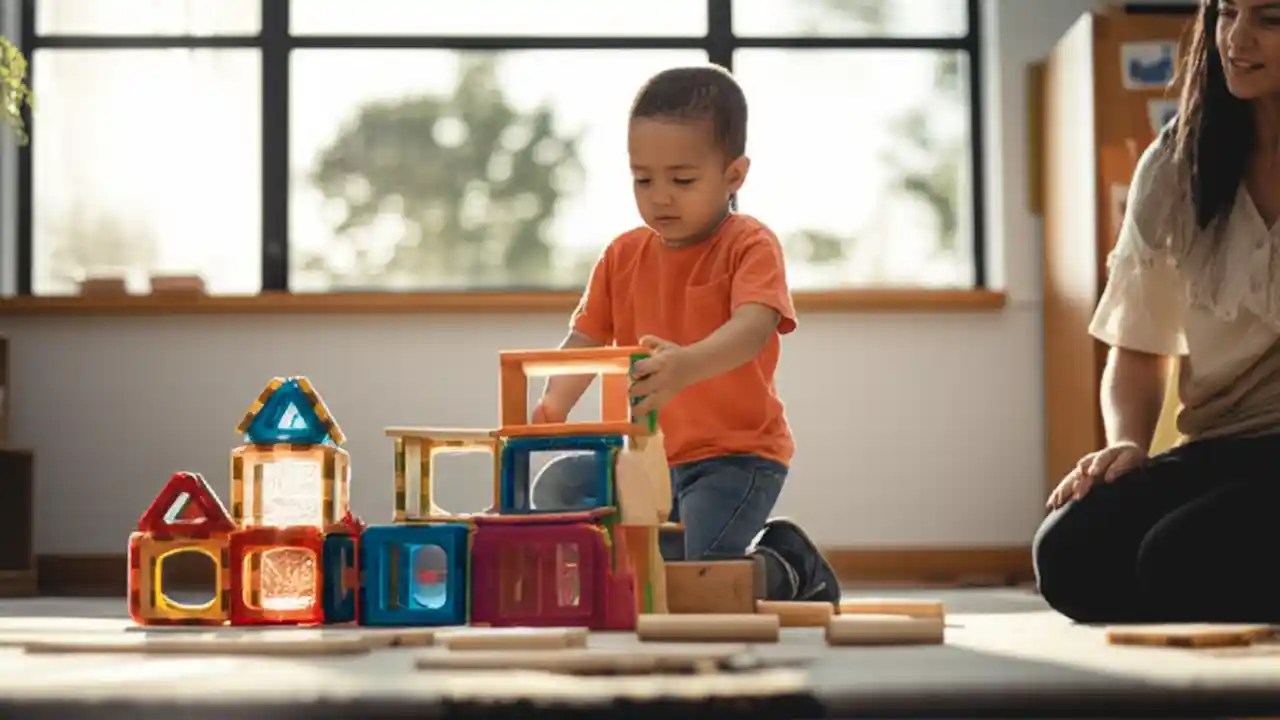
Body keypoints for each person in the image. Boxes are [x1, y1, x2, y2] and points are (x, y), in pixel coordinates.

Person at [526, 64, 839, 604]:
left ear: (734, 176)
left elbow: (754, 327)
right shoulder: (622, 255)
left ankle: (787, 564)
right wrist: (554, 402)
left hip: (736, 458)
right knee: (556, 486)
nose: (660, 197)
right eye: (643, 179)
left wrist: (686, 365)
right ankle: (640, 573)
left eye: (683, 180)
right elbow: (585, 339)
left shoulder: (749, 244)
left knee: (704, 578)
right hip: (645, 458)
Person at [1032, 0, 1280, 624]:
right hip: (1226, 444)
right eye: (1226, 14)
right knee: (1068, 552)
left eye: (1270, 19)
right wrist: (1126, 446)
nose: (1237, 39)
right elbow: (1139, 346)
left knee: (1178, 558)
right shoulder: (1176, 164)